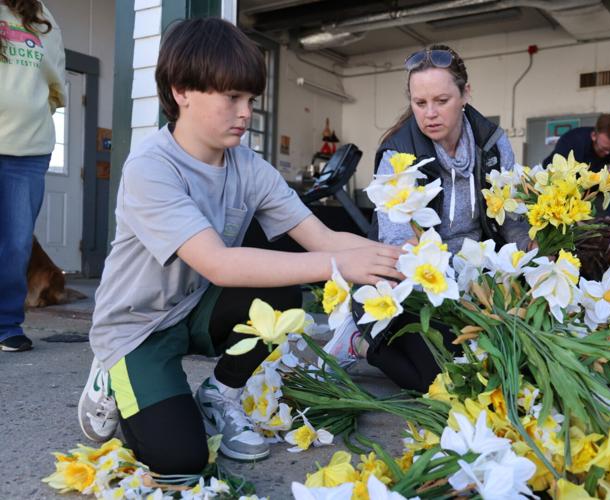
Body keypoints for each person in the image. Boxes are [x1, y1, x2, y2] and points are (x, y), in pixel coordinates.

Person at [76, 17, 403, 475]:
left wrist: (394, 256)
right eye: (232, 97)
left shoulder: (248, 167)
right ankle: (113, 374)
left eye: (250, 99)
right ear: (181, 91)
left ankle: (218, 394)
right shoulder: (151, 167)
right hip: (138, 326)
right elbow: (220, 264)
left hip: (193, 307)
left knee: (283, 295)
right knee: (182, 460)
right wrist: (337, 263)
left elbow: (323, 238)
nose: (246, 112)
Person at [324, 44, 529, 393]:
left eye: (442, 100)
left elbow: (512, 223)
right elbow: (397, 240)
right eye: (420, 103)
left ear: (465, 94)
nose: (430, 113)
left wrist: (535, 261)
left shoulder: (493, 143)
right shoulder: (398, 153)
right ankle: (358, 342)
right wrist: (450, 297)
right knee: (440, 380)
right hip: (416, 276)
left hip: (478, 275)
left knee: (506, 364)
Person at [0, 0, 65, 352]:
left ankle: (6, 324)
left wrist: (36, 109)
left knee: (16, 243)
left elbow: (57, 80)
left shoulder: (42, 15)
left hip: (28, 147)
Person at [543, 113, 610, 217]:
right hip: (566, 189)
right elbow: (553, 171)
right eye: (603, 148)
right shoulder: (573, 141)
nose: (608, 153)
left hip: (597, 194)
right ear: (594, 136)